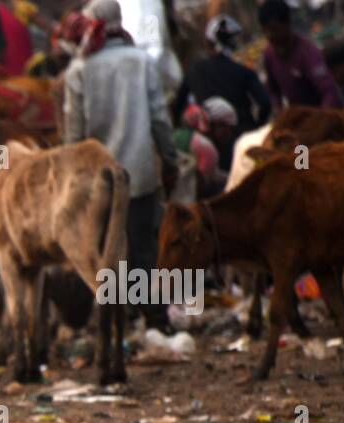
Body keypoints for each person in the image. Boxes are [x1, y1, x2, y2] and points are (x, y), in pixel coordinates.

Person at [63, 0, 178, 334]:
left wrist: (71, 182)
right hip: (139, 173)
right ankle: (156, 319)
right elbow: (160, 120)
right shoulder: (141, 62)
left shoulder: (79, 70)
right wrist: (169, 161)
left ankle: (116, 322)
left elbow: (73, 135)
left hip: (95, 180)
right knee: (143, 248)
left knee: (104, 253)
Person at [172, 14, 271, 148]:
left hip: (210, 144)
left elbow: (177, 106)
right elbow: (265, 103)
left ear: (208, 43)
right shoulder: (243, 72)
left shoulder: (194, 71)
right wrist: (256, 127)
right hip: (245, 140)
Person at [260, 0, 341, 110]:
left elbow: (329, 92)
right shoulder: (268, 55)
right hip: (298, 117)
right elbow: (273, 90)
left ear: (287, 23)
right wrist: (279, 110)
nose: (270, 35)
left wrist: (321, 119)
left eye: (274, 29)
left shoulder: (308, 53)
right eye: (266, 31)